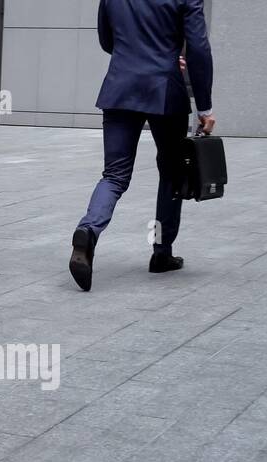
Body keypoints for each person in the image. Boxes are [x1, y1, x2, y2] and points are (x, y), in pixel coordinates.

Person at [70, 0, 215, 292]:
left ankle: (88, 230)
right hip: (165, 89)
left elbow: (106, 40)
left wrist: (135, 56)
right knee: (173, 174)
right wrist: (205, 107)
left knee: (114, 175)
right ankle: (162, 253)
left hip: (120, 85)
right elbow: (199, 48)